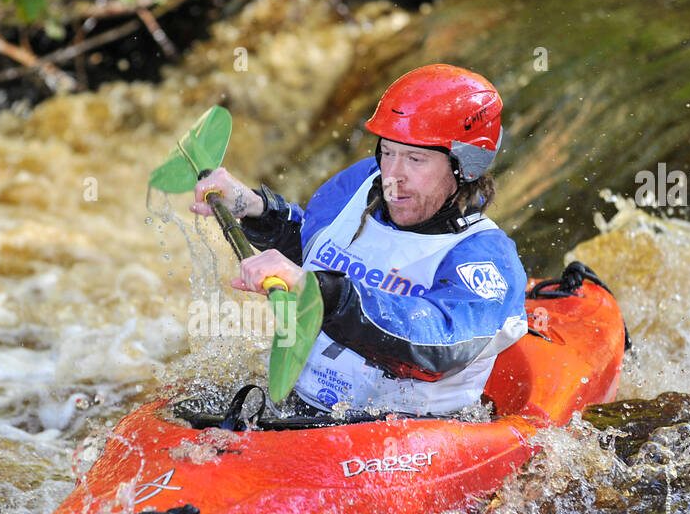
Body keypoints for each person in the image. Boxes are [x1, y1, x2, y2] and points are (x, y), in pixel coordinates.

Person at [192, 64, 528, 416]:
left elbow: (436, 347)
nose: (393, 178)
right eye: (388, 151)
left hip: (403, 438)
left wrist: (320, 292)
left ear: (465, 166)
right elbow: (315, 247)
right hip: (301, 409)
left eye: (415, 159)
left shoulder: (486, 258)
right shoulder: (359, 187)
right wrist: (253, 208)